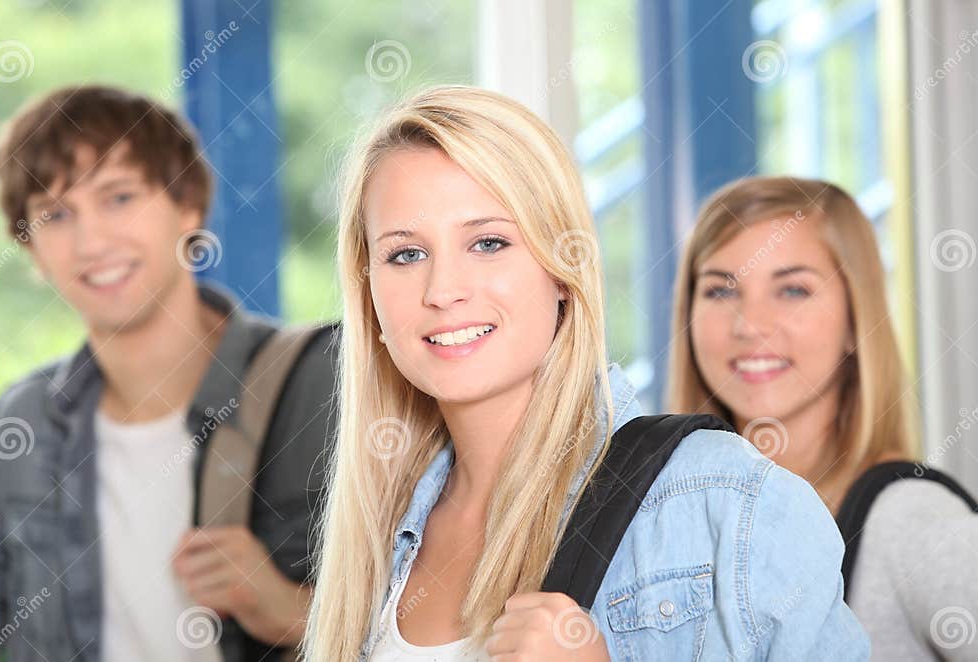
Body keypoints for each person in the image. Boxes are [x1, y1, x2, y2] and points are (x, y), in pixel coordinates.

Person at [301, 86, 869, 661]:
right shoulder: (376, 534)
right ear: (368, 294)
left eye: (489, 242)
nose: (443, 291)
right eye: (406, 254)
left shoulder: (727, 502)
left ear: (563, 273)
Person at [0, 85, 338, 662]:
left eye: (119, 197)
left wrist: (291, 612)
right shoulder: (18, 427)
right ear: (32, 251)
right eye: (55, 214)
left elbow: (442, 623)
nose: (91, 241)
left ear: (188, 207)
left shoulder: (322, 384)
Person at [668, 175, 978, 660]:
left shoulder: (909, 520)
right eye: (720, 290)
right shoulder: (673, 534)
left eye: (792, 290)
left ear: (857, 319)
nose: (749, 324)